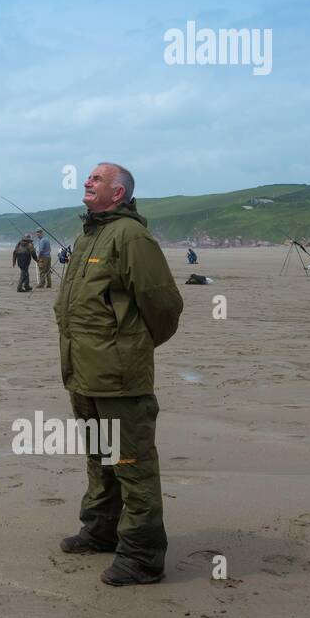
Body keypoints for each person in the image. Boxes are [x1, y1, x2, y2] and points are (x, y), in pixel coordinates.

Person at [53, 162, 183, 586]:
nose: (87, 182)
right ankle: (101, 531)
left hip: (120, 377)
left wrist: (130, 347)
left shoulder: (131, 236)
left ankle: (143, 557)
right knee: (100, 459)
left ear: (119, 194)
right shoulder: (88, 234)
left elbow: (164, 306)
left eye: (98, 179)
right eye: (88, 177)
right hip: (83, 373)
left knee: (131, 462)